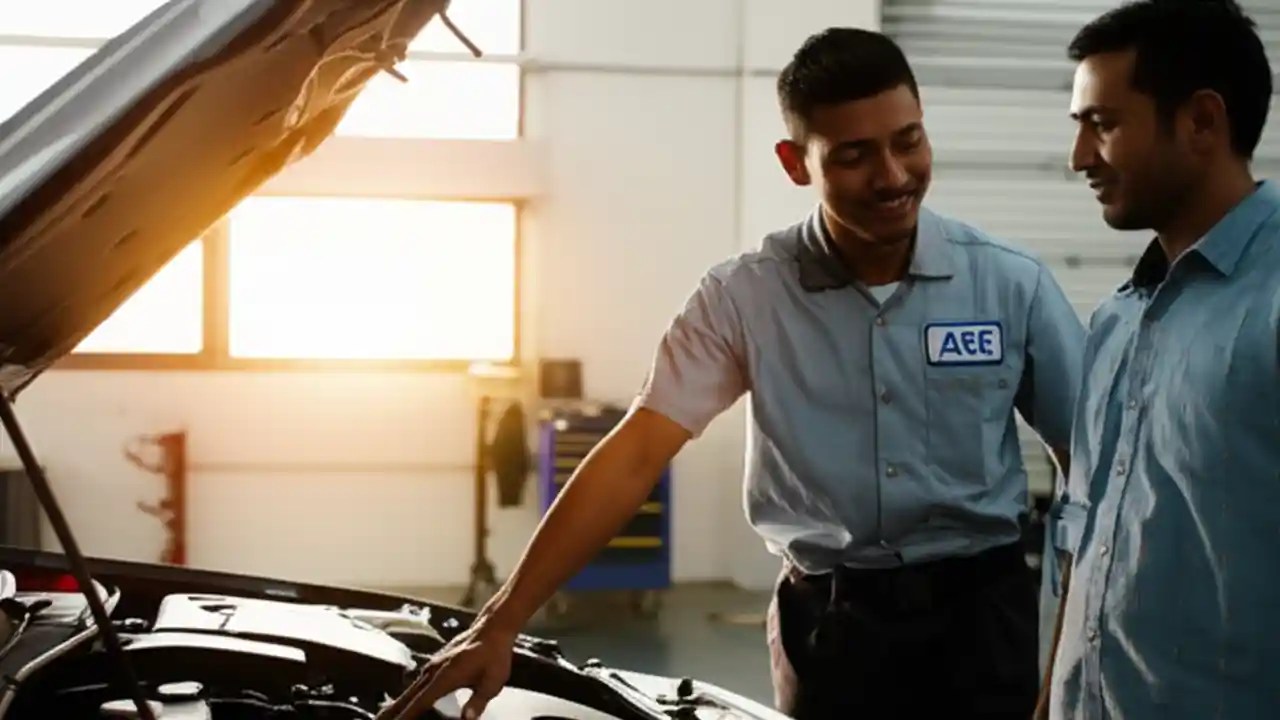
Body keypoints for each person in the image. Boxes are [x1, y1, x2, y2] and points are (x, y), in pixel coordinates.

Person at [378, 28, 1085, 720]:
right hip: (831, 628)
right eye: (854, 155)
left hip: (983, 618)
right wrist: (501, 622)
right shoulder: (744, 299)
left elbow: (1091, 465)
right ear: (795, 162)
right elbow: (635, 454)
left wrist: (1073, 645)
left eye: (909, 142)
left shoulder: (1008, 285)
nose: (894, 176)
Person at [1038, 1, 1279, 718]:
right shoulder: (1116, 321)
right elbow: (1085, 536)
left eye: (1103, 125)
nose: (1079, 157)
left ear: (1201, 121)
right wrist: (1051, 696)